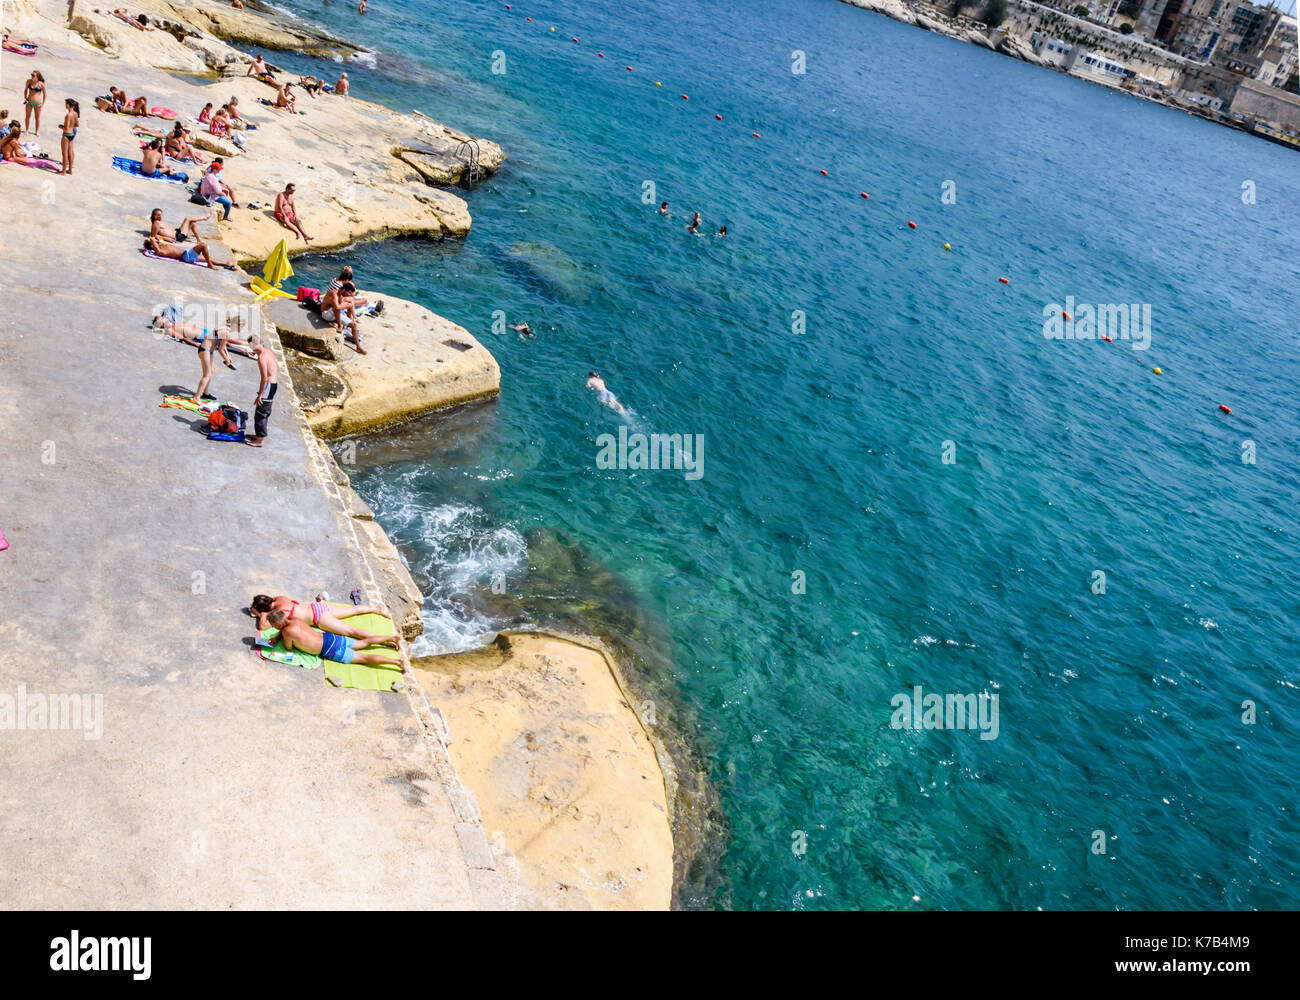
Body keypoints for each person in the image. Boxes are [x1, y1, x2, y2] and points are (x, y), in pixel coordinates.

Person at [265, 609, 402, 668]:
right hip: (331, 638)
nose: (273, 628)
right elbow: (285, 629)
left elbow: (289, 648)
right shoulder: (293, 619)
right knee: (363, 642)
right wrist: (277, 637)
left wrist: (281, 640)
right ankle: (393, 638)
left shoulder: (287, 632)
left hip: (329, 649)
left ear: (278, 624)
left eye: (273, 625)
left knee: (363, 658)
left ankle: (397, 662)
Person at [245, 332, 279, 447]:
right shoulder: (267, 352)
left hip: (268, 386)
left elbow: (264, 378)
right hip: (273, 384)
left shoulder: (261, 358)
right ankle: (259, 435)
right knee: (263, 411)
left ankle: (260, 440)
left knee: (261, 413)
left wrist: (260, 394)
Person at [142, 235, 234, 271]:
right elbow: (154, 241)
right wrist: (152, 240)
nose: (157, 242)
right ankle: (210, 265)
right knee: (203, 245)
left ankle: (226, 263)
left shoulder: (161, 245)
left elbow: (157, 238)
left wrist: (155, 239)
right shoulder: (159, 251)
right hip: (186, 256)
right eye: (154, 243)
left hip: (187, 254)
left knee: (207, 258)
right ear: (152, 246)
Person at [319, 281, 365, 352]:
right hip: (326, 314)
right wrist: (348, 305)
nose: (348, 294)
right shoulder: (333, 293)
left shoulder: (341, 295)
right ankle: (340, 325)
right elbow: (336, 308)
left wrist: (349, 305)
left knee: (354, 325)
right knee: (337, 307)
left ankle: (358, 347)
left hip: (334, 314)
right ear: (344, 290)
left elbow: (339, 308)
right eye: (348, 292)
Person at [58, 99, 78, 175]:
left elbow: (66, 128)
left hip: (66, 135)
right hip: (72, 134)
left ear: (69, 105)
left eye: (66, 104)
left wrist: (60, 126)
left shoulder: (68, 115)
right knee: (70, 152)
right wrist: (70, 127)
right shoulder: (75, 113)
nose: (65, 105)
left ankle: (63, 171)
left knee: (64, 153)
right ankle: (70, 170)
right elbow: (76, 125)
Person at [23, 71, 45, 136]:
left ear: (37, 77)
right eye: (31, 75)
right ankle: (27, 130)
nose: (31, 76)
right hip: (29, 102)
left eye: (33, 75)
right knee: (27, 116)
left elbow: (45, 94)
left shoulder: (41, 84)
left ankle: (36, 131)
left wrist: (42, 104)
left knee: (37, 117)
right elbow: (25, 90)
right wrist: (25, 98)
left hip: (37, 103)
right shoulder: (28, 81)